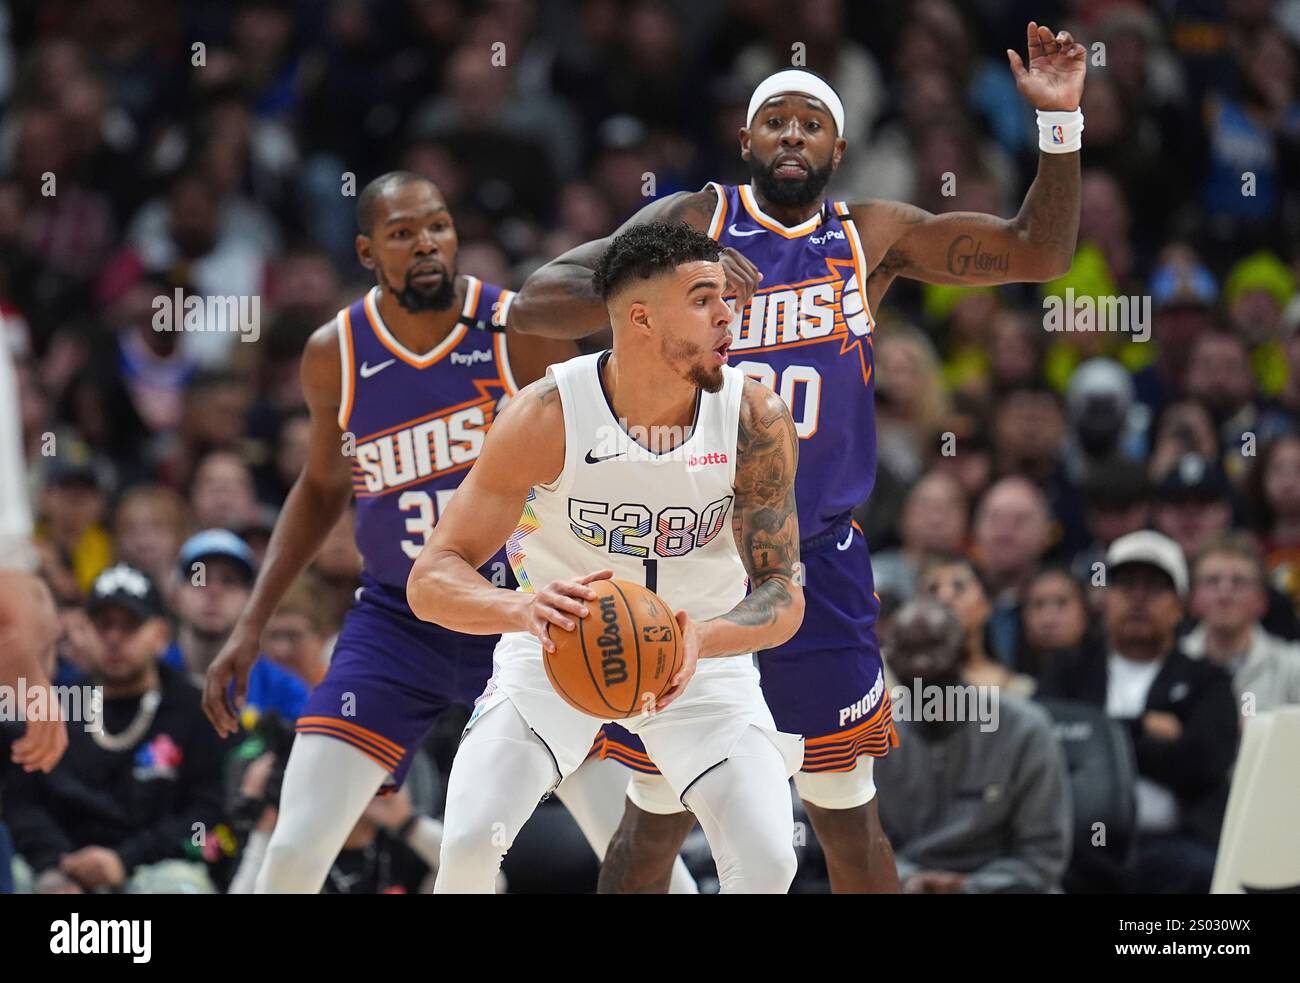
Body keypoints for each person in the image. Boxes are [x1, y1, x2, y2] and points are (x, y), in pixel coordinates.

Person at [511, 25, 1088, 893]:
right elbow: (534, 303)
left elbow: (1037, 251)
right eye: (773, 121)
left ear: (838, 148)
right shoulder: (690, 224)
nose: (790, 135)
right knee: (655, 820)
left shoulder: (872, 237)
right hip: (698, 558)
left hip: (817, 566)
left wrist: (1059, 127)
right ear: (745, 141)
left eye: (809, 124)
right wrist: (663, 282)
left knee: (850, 824)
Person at [202, 172, 681, 894]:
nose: (425, 244)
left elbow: (599, 455)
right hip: (399, 620)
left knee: (636, 854)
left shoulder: (516, 327)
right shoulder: (335, 351)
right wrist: (251, 620)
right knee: (294, 850)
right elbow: (323, 488)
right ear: (367, 251)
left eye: (437, 226)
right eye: (402, 233)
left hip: (530, 616)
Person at [408, 223, 807, 893]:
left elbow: (783, 594)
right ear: (642, 317)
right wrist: (522, 607)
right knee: (473, 841)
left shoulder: (754, 419)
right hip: (556, 648)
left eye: (727, 299)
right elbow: (431, 578)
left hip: (700, 662)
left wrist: (699, 639)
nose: (727, 314)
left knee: (770, 862)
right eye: (704, 298)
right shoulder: (546, 414)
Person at [5, 564, 228, 894]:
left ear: (161, 635)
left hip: (156, 867)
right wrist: (55, 866)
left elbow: (206, 815)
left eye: (130, 626)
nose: (114, 638)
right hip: (59, 867)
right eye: (103, 624)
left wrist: (124, 861)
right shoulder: (52, 707)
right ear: (83, 630)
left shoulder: (198, 709)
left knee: (177, 887)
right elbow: (22, 803)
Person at [1037, 530, 1239, 893]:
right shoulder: (1067, 670)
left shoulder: (1207, 680)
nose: (1138, 598)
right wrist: (1142, 729)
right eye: (1126, 585)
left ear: (1179, 606)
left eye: (1155, 587)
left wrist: (1099, 739)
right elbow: (1047, 747)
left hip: (1176, 844)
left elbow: (1203, 764)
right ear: (1106, 599)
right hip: (1077, 843)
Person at [875, 597, 1071, 893]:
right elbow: (848, 842)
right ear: (887, 658)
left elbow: (1042, 855)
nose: (921, 665)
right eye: (907, 650)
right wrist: (908, 879)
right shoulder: (869, 735)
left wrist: (968, 888)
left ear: (964, 651)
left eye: (933, 648)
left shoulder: (1024, 729)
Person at [167, 529, 308, 726]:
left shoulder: (284, 692)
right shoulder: (147, 679)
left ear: (251, 599)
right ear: (174, 594)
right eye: (199, 578)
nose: (213, 591)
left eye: (229, 581)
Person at [1182, 533, 1300, 719]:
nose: (1224, 593)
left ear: (1262, 600)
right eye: (1212, 581)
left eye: (1239, 582)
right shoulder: (1172, 663)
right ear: (1193, 599)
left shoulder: (1292, 667)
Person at [917, 552, 1035, 696]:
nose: (945, 597)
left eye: (959, 587)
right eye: (932, 589)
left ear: (986, 605)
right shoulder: (887, 676)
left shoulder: (1020, 688)